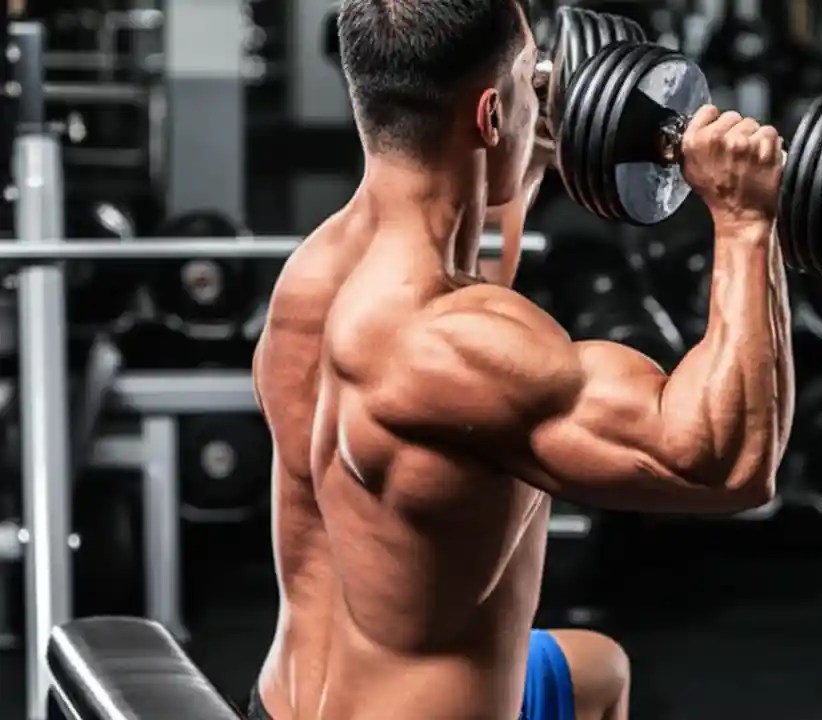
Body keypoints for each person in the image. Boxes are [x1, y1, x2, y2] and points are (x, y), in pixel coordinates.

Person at [249, 0, 794, 718]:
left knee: (598, 669)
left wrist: (528, 155)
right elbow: (726, 464)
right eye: (527, 79)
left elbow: (456, 350)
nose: (543, 88)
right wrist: (746, 219)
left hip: (287, 698)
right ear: (488, 116)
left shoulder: (319, 275)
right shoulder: (450, 344)